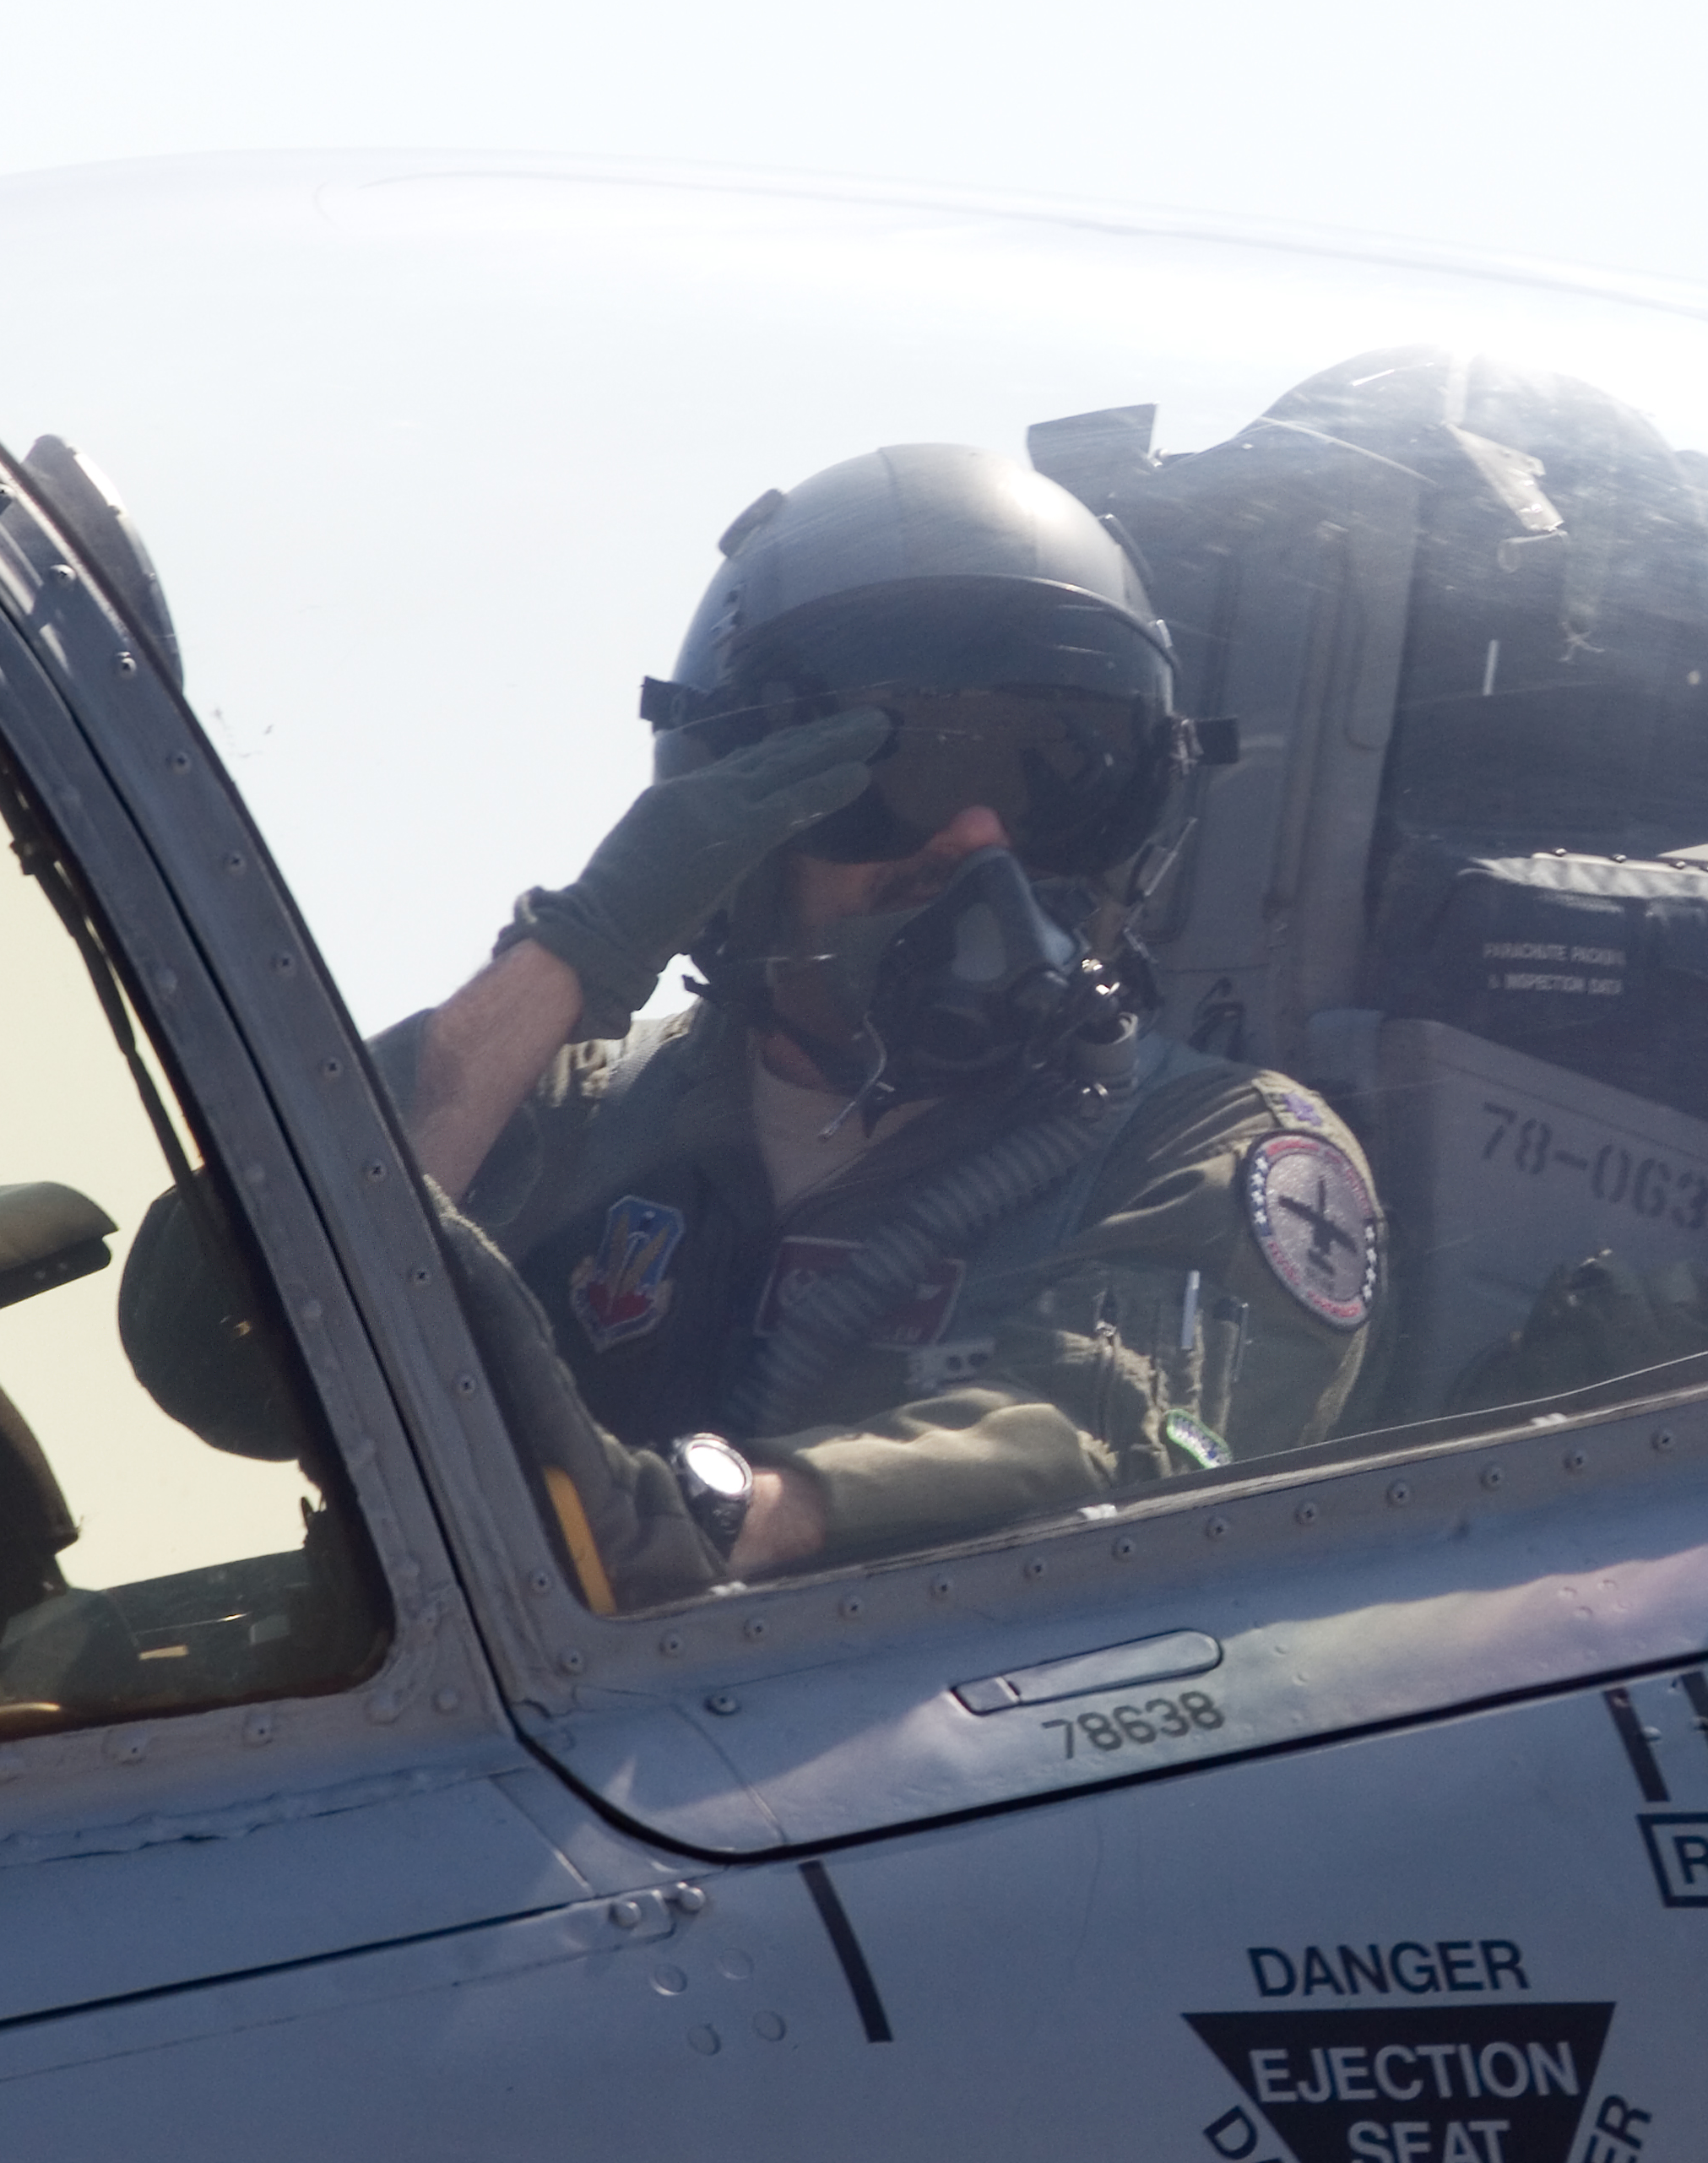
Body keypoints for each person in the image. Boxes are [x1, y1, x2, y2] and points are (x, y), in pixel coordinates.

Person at [377, 443, 1381, 1602]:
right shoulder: (577, 1110)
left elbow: (1100, 1437)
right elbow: (231, 1336)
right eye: (887, 782)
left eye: (1049, 780)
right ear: (741, 826)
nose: (974, 843)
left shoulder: (1211, 1148)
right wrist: (583, 943)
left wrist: (702, 1523)